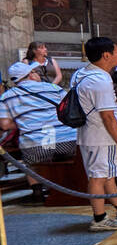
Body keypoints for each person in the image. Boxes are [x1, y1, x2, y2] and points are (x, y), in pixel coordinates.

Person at [69, 37, 117, 231]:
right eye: (116, 52)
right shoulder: (100, 81)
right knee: (98, 177)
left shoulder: (82, 73)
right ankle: (99, 219)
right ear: (106, 55)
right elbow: (107, 116)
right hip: (101, 136)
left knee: (105, 175)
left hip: (89, 134)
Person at [0, 61, 78, 202]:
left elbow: (4, 125)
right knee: (62, 153)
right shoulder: (54, 88)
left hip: (37, 146)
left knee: (32, 161)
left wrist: (25, 122)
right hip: (69, 141)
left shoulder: (7, 96)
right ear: (30, 75)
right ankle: (70, 186)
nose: (37, 74)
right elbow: (70, 108)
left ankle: (37, 191)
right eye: (35, 72)